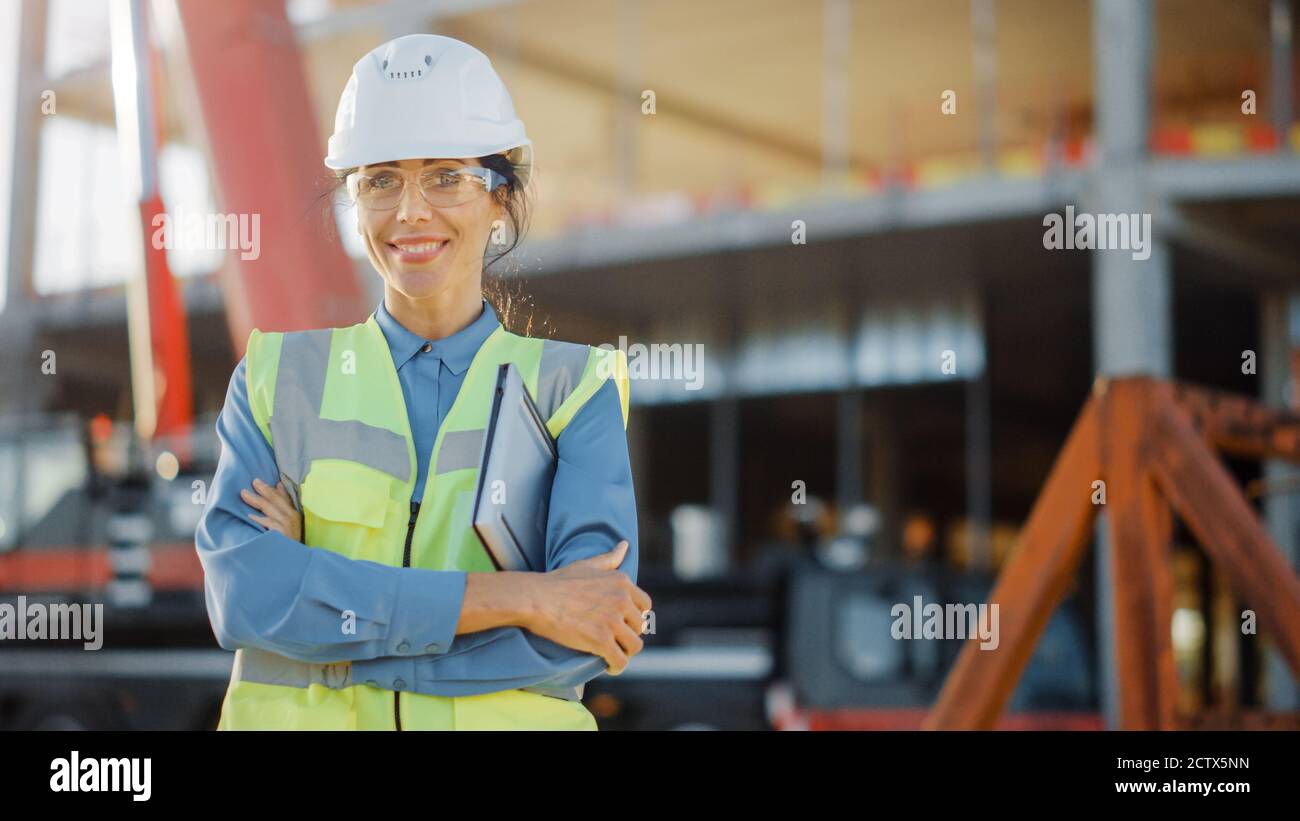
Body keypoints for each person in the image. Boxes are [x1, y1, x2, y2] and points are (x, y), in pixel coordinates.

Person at [195, 33, 650, 730]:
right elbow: (246, 599)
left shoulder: (574, 389)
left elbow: (576, 637)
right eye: (381, 179)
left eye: (445, 176)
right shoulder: (275, 380)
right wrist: (523, 594)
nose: (410, 210)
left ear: (500, 201)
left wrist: (325, 623)